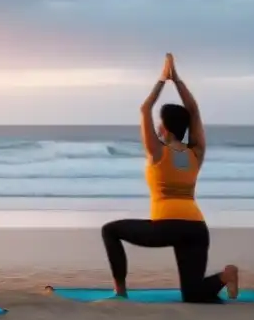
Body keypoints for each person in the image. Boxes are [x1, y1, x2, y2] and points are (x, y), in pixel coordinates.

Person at [101, 53, 239, 302]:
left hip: (166, 227)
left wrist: (163, 80)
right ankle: (225, 276)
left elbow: (145, 108)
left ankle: (120, 292)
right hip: (196, 228)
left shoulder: (157, 152)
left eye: (158, 124)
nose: (155, 127)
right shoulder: (196, 152)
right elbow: (194, 112)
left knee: (110, 231)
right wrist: (177, 80)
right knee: (193, 294)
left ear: (164, 127)